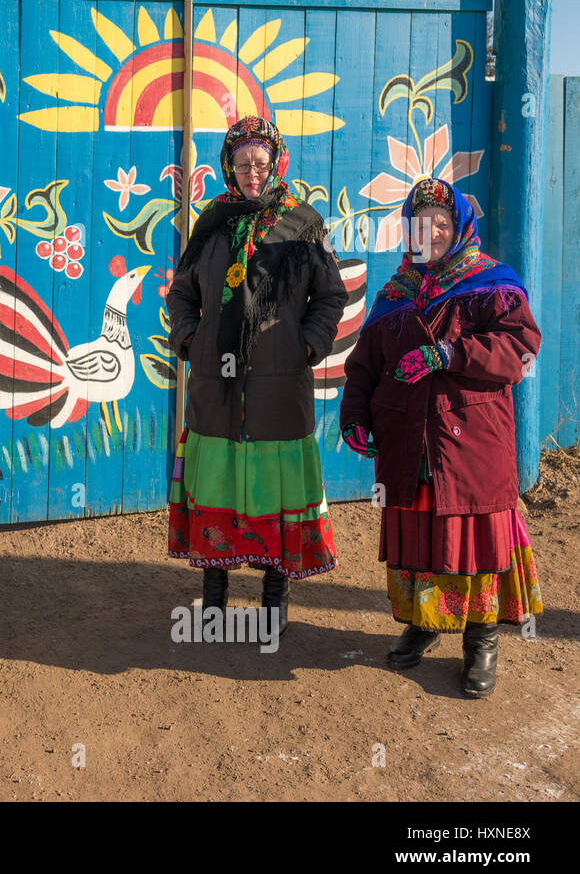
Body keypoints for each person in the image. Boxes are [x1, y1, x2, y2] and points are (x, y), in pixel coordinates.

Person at [340, 176, 542, 698]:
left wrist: (452, 354)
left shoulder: (492, 283)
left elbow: (519, 350)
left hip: (470, 442)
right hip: (409, 442)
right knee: (421, 533)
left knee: (470, 541)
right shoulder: (395, 294)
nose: (429, 232)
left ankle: (481, 642)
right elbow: (363, 367)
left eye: (440, 224)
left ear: (459, 228)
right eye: (418, 224)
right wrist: (355, 416)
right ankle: (424, 623)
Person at [166, 116, 347, 634]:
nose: (251, 172)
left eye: (260, 162)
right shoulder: (213, 220)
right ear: (229, 165)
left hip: (277, 382)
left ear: (276, 163)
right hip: (214, 387)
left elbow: (330, 296)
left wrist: (307, 343)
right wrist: (189, 338)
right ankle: (216, 597)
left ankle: (273, 597)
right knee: (218, 478)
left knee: (273, 485)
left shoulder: (302, 223)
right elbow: (183, 291)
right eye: (242, 162)